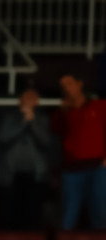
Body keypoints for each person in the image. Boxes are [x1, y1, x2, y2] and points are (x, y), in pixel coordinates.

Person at [0, 86, 57, 231]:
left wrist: (32, 122)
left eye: (33, 97)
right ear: (20, 101)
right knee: (10, 215)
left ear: (37, 102)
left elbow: (45, 141)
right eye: (27, 97)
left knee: (33, 216)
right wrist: (23, 121)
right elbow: (3, 137)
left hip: (35, 175)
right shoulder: (10, 117)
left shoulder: (43, 119)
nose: (30, 100)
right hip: (11, 174)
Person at [57, 72, 106, 231]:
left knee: (100, 210)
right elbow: (57, 134)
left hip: (98, 166)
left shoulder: (100, 106)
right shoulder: (62, 112)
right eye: (63, 86)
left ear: (80, 84)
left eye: (69, 83)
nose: (67, 88)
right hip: (72, 169)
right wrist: (64, 113)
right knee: (69, 213)